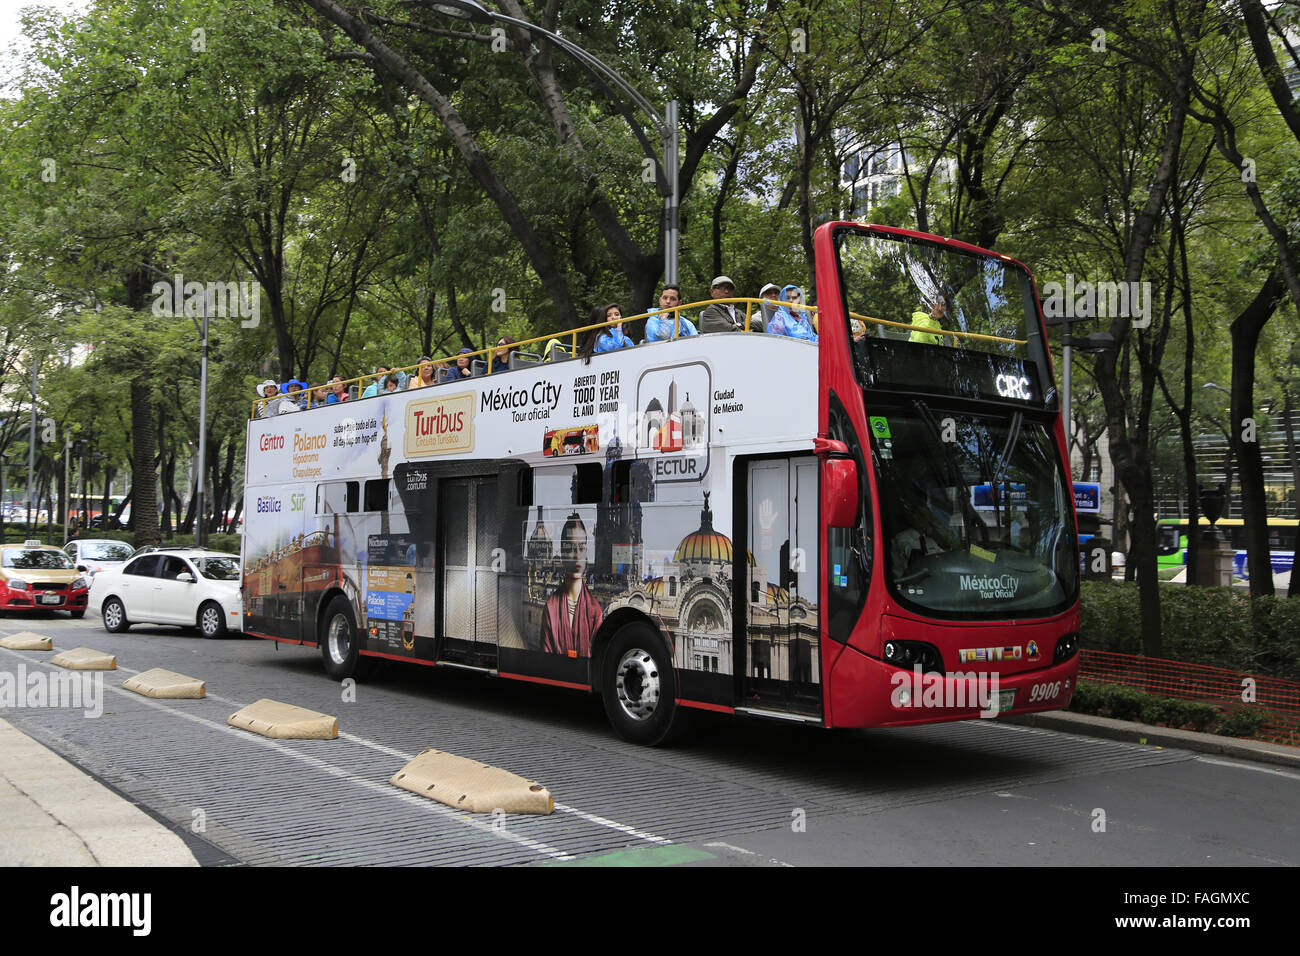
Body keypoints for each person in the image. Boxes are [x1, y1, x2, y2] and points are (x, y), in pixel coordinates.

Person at [540, 513, 604, 657]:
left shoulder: (595, 611)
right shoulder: (550, 607)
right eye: (570, 548)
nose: (576, 555)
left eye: (581, 548)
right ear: (562, 554)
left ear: (586, 552)